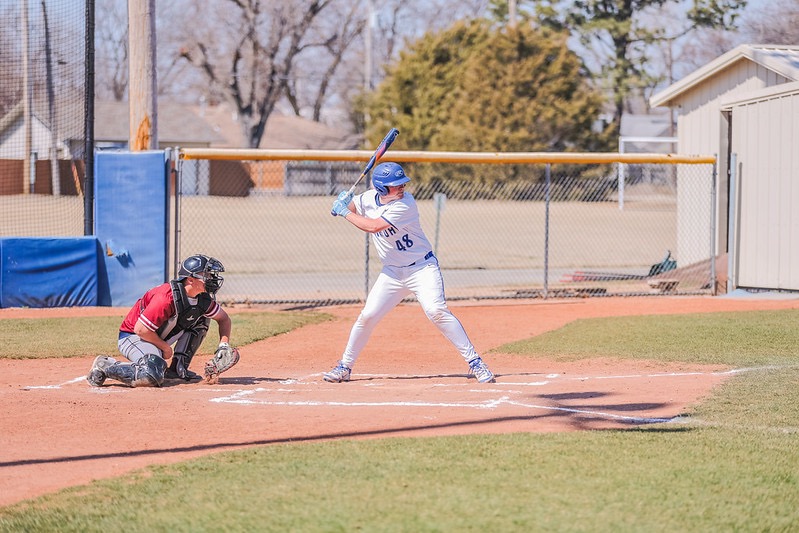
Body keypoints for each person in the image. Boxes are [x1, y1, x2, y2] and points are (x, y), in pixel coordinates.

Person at [325, 161, 495, 383]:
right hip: (392, 273)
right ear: (382, 188)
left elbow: (373, 226)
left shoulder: (405, 204)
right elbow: (354, 208)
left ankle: (475, 362)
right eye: (396, 185)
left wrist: (344, 212)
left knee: (436, 311)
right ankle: (345, 367)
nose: (402, 187)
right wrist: (344, 204)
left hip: (422, 268)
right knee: (367, 316)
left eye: (402, 183)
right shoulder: (367, 198)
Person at [87, 254, 234, 388]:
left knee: (202, 318)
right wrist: (164, 347)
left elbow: (224, 319)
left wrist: (224, 345)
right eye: (206, 275)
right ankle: (106, 365)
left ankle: (178, 369)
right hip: (133, 336)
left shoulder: (202, 299)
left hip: (153, 335)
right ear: (190, 279)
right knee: (151, 374)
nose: (211, 278)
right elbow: (141, 330)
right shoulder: (167, 297)